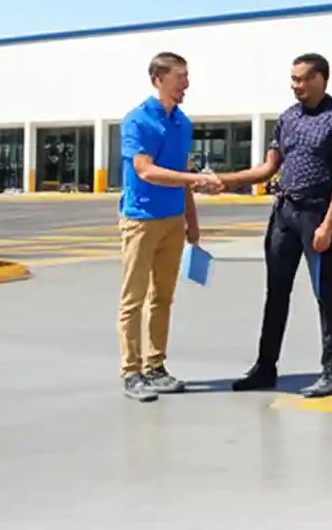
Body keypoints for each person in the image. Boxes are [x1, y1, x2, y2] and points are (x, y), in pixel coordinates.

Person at [211, 52, 332, 398]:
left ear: (322, 78)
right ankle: (265, 367)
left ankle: (330, 373)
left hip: (316, 216)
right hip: (284, 214)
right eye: (293, 80)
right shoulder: (288, 118)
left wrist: (328, 225)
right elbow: (267, 169)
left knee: (325, 295)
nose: (297, 86)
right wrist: (225, 181)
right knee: (276, 294)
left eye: (304, 79)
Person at [117, 51, 219, 402]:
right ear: (159, 79)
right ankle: (131, 373)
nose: (186, 84)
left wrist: (192, 221)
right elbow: (145, 170)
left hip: (173, 220)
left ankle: (155, 367)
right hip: (141, 220)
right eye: (180, 77)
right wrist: (194, 178)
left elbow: (181, 175)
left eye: (187, 76)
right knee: (133, 298)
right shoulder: (136, 122)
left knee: (163, 297)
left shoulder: (182, 123)